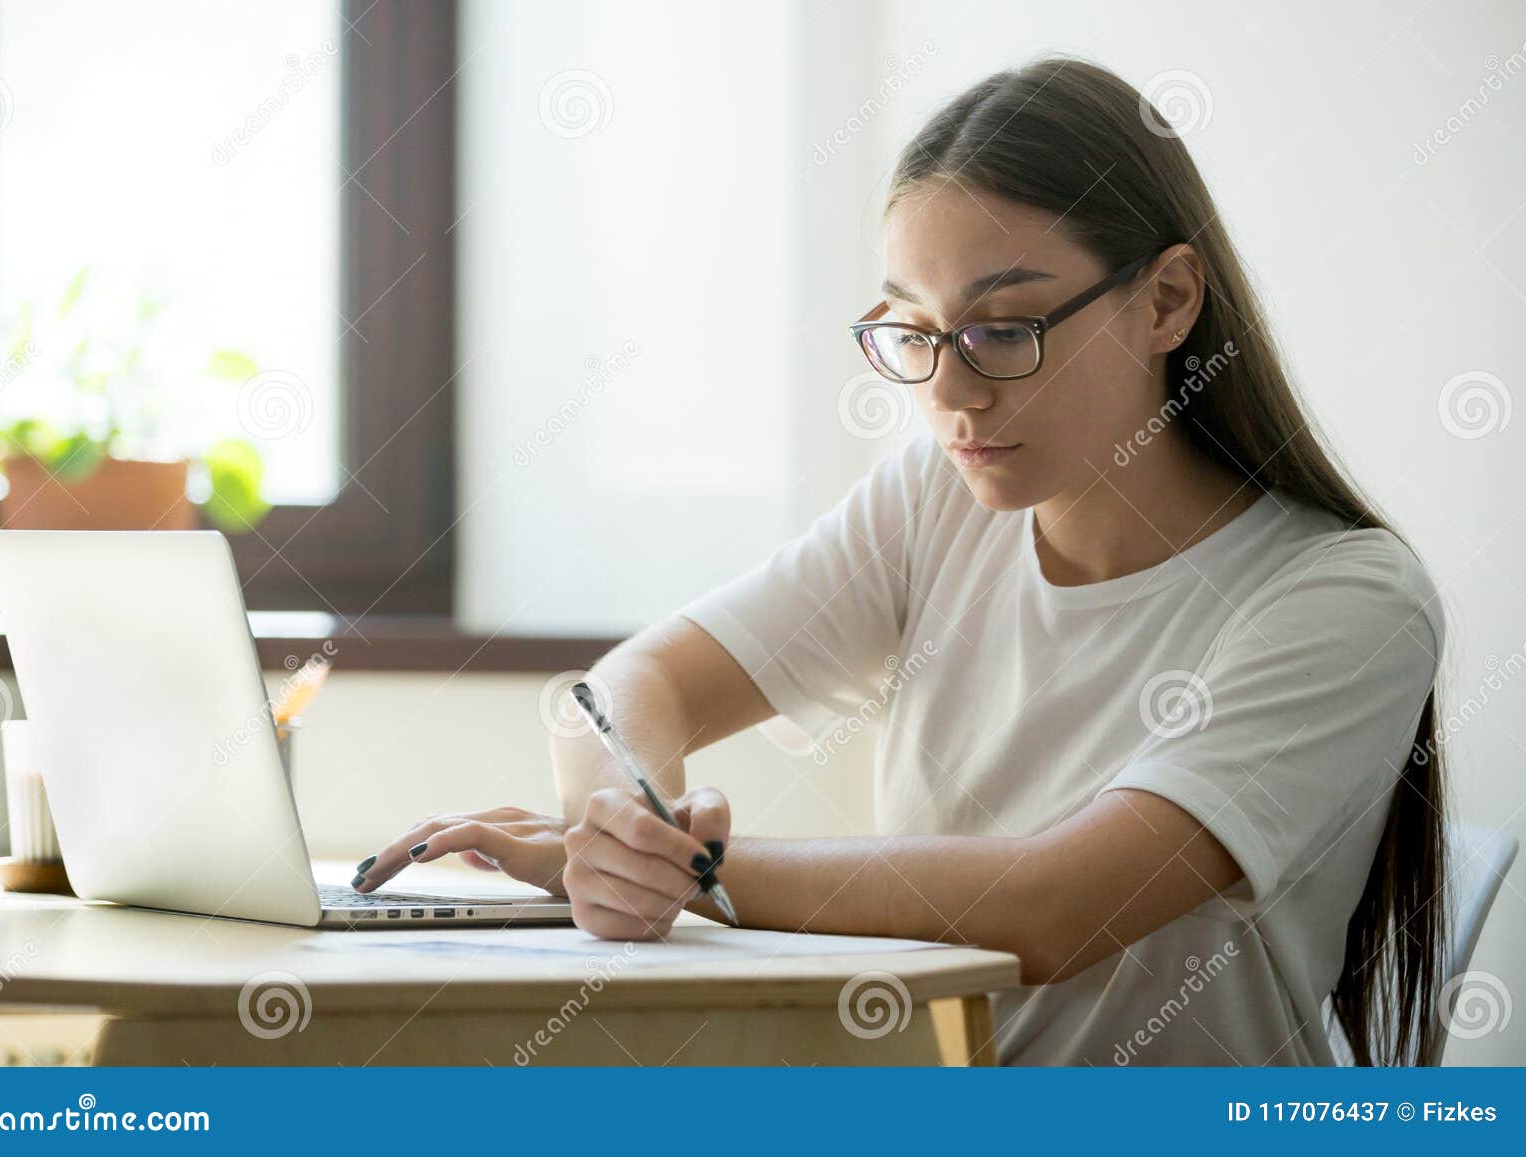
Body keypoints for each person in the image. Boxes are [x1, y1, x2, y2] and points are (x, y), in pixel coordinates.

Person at [354, 57, 1447, 1067]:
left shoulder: (1344, 598)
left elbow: (1057, 906)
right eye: (915, 334)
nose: (953, 397)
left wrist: (691, 878)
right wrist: (622, 831)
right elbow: (630, 688)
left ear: (1166, 300)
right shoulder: (939, 496)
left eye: (1003, 331)